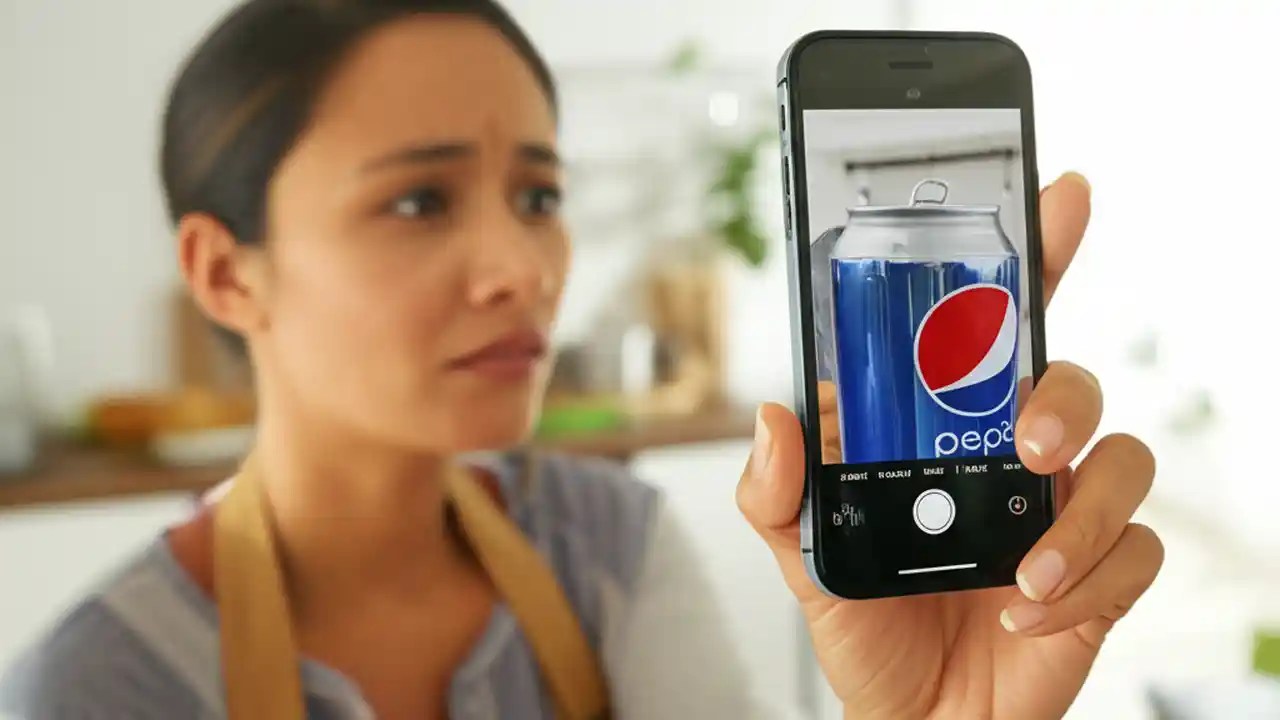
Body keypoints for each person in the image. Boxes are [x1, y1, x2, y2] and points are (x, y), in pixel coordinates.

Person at [0, 1, 1162, 718]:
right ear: (224, 273)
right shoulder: (96, 690)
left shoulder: (610, 543)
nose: (522, 266)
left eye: (538, 196)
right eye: (418, 199)